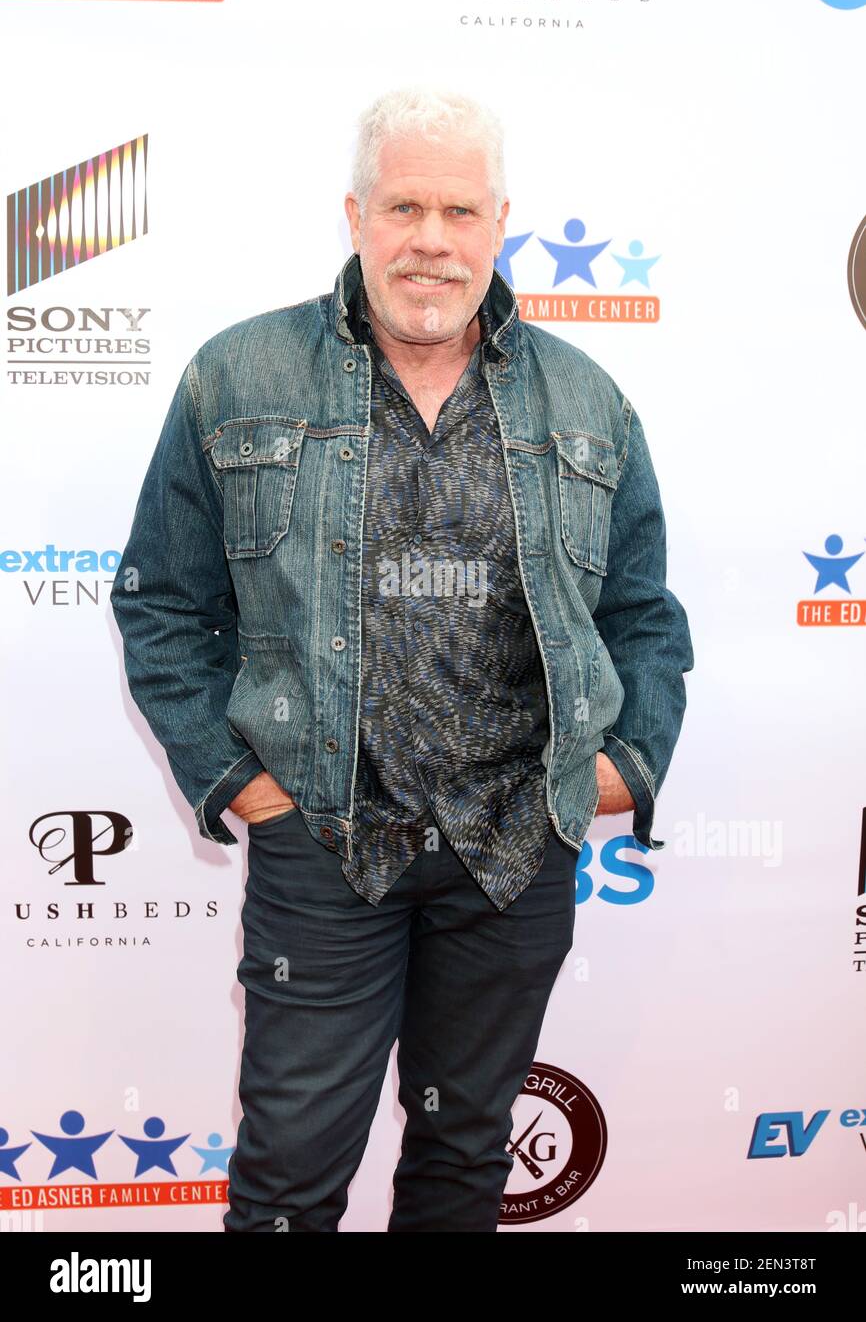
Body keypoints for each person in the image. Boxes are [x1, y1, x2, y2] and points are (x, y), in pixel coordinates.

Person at [110, 85, 694, 1232]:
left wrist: (622, 765)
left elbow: (643, 615)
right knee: (286, 1180)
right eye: (404, 206)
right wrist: (241, 788)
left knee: (462, 1167)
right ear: (355, 214)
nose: (431, 238)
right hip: (324, 841)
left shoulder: (586, 401)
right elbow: (161, 603)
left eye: (460, 211)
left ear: (500, 224)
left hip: (513, 852)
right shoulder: (238, 379)